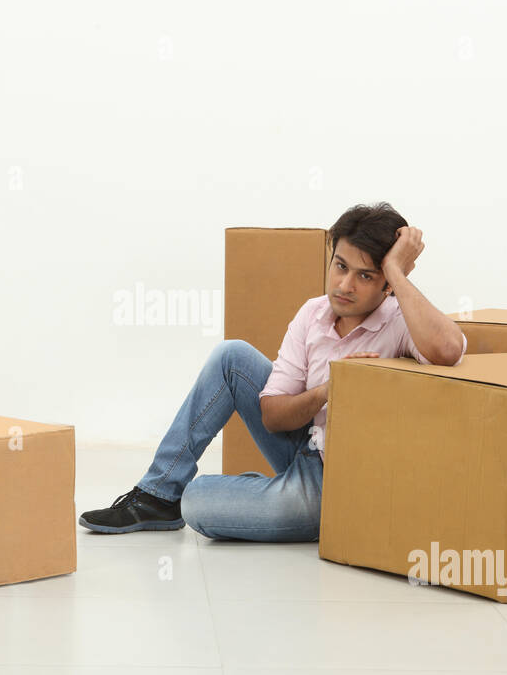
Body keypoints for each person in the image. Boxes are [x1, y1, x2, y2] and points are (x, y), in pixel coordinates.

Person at [79, 202, 467, 541]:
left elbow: (449, 351)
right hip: (304, 445)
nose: (345, 285)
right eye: (341, 267)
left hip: (341, 477)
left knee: (197, 502)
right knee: (232, 355)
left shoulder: (400, 321)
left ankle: (284, 502)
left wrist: (398, 272)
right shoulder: (312, 314)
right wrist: (329, 390)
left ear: (387, 286)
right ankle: (158, 495)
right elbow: (273, 415)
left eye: (366, 276)